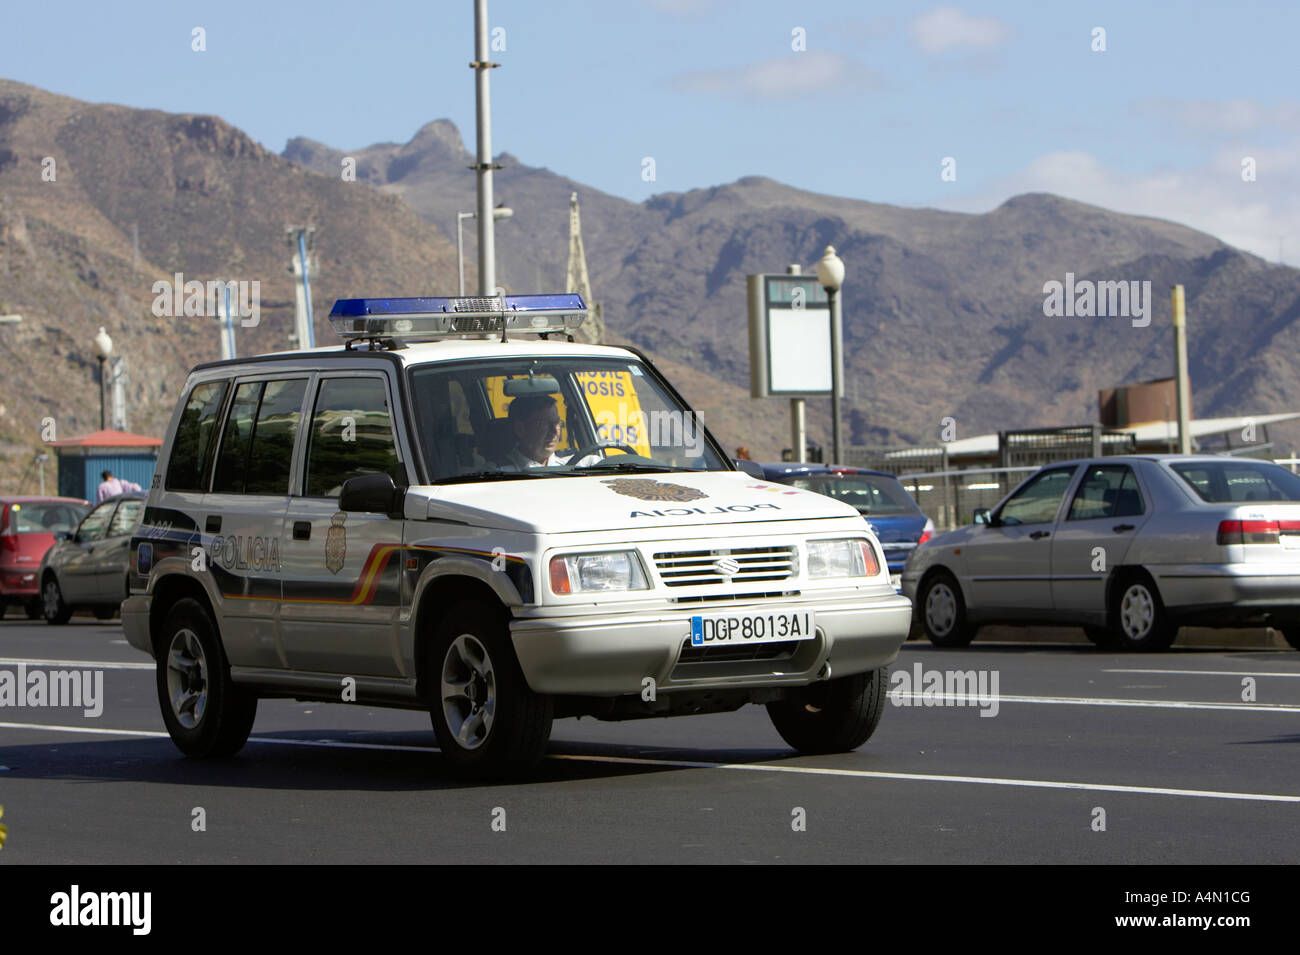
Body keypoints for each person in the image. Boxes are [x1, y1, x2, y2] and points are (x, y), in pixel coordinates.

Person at [502, 395, 600, 470]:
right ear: (520, 429)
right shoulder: (498, 473)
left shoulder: (578, 463)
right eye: (544, 424)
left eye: (557, 422)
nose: (554, 431)